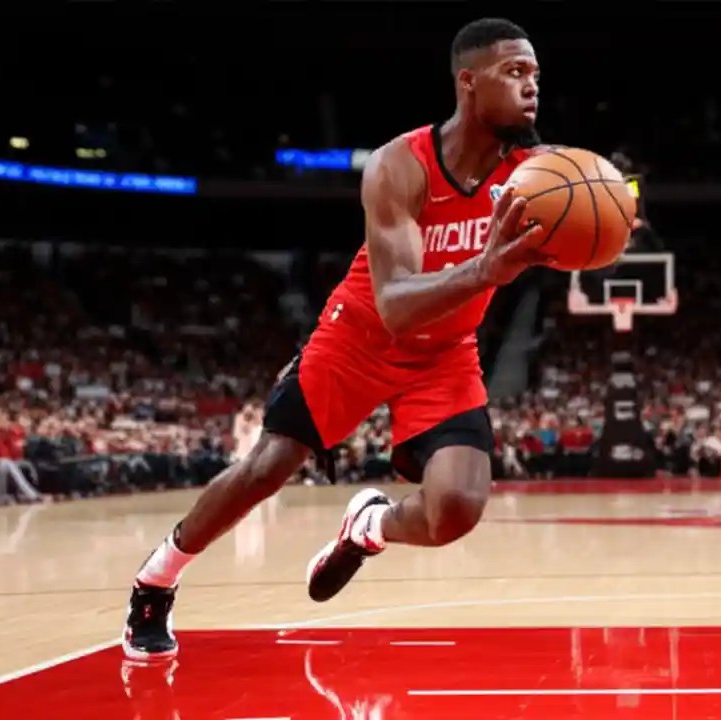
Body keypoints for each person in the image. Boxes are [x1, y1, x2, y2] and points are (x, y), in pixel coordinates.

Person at [122, 17, 557, 660]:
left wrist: (604, 223)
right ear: (468, 82)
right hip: (360, 336)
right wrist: (484, 270)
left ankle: (369, 526)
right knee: (266, 467)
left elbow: (587, 220)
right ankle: (155, 581)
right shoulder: (398, 167)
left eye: (536, 76)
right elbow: (397, 305)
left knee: (457, 510)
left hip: (445, 356)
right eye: (514, 73)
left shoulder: (535, 172)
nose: (532, 88)